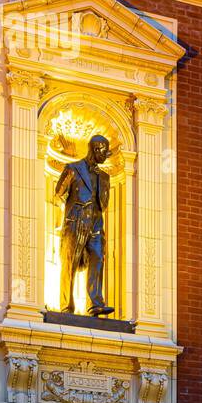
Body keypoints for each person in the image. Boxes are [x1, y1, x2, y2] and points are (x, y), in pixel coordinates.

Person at [55, 134, 114, 317]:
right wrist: (71, 213)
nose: (105, 157)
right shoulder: (73, 168)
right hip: (77, 220)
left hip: (96, 222)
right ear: (96, 150)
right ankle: (66, 305)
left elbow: (103, 202)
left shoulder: (104, 176)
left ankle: (95, 303)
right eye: (104, 152)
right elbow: (58, 194)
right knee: (70, 262)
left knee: (97, 258)